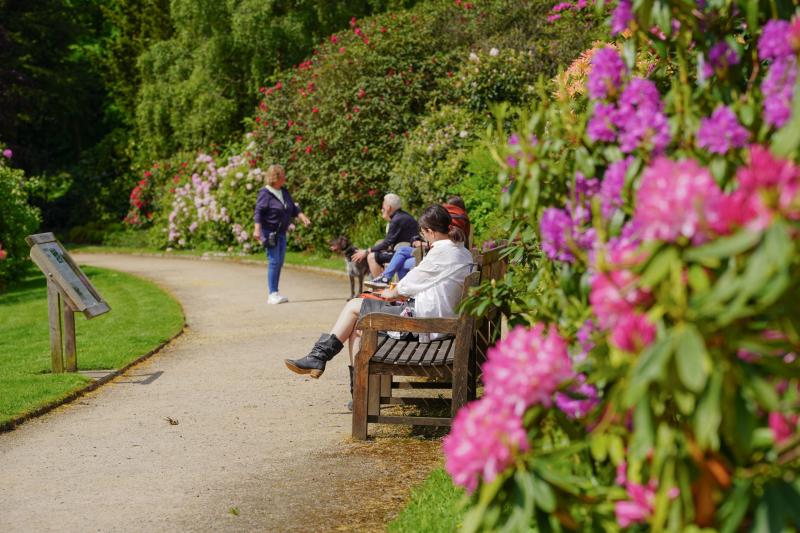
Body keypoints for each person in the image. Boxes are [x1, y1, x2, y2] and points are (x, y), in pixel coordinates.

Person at [284, 205, 474, 384]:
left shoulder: (441, 253)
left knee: (353, 308)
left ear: (430, 231)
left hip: (428, 325)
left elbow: (403, 288)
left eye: (424, 234)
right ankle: (327, 365)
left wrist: (388, 292)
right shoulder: (460, 251)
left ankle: (321, 360)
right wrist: (394, 292)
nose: (425, 239)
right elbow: (422, 282)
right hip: (441, 319)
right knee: (357, 326)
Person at [370, 196, 472, 287]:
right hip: (434, 252)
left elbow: (441, 241)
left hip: (429, 254)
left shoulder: (448, 219)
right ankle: (386, 278)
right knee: (402, 252)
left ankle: (386, 278)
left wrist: (422, 243)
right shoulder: (462, 220)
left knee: (402, 260)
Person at [253, 164, 311, 304]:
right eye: (283, 176)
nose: (285, 178)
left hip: (281, 233)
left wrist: (302, 216)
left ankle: (276, 292)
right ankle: (272, 293)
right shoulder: (265, 193)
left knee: (279, 262)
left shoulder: (283, 191)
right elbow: (258, 212)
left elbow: (293, 207)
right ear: (275, 178)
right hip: (269, 233)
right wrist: (257, 230)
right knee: (274, 261)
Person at [351, 193, 418, 278]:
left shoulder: (397, 220)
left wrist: (366, 251)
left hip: (403, 253)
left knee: (371, 257)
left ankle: (380, 287)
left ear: (389, 207)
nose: (381, 210)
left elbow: (387, 243)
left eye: (383, 207)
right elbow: (389, 241)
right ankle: (381, 282)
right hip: (405, 250)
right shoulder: (402, 216)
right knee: (375, 253)